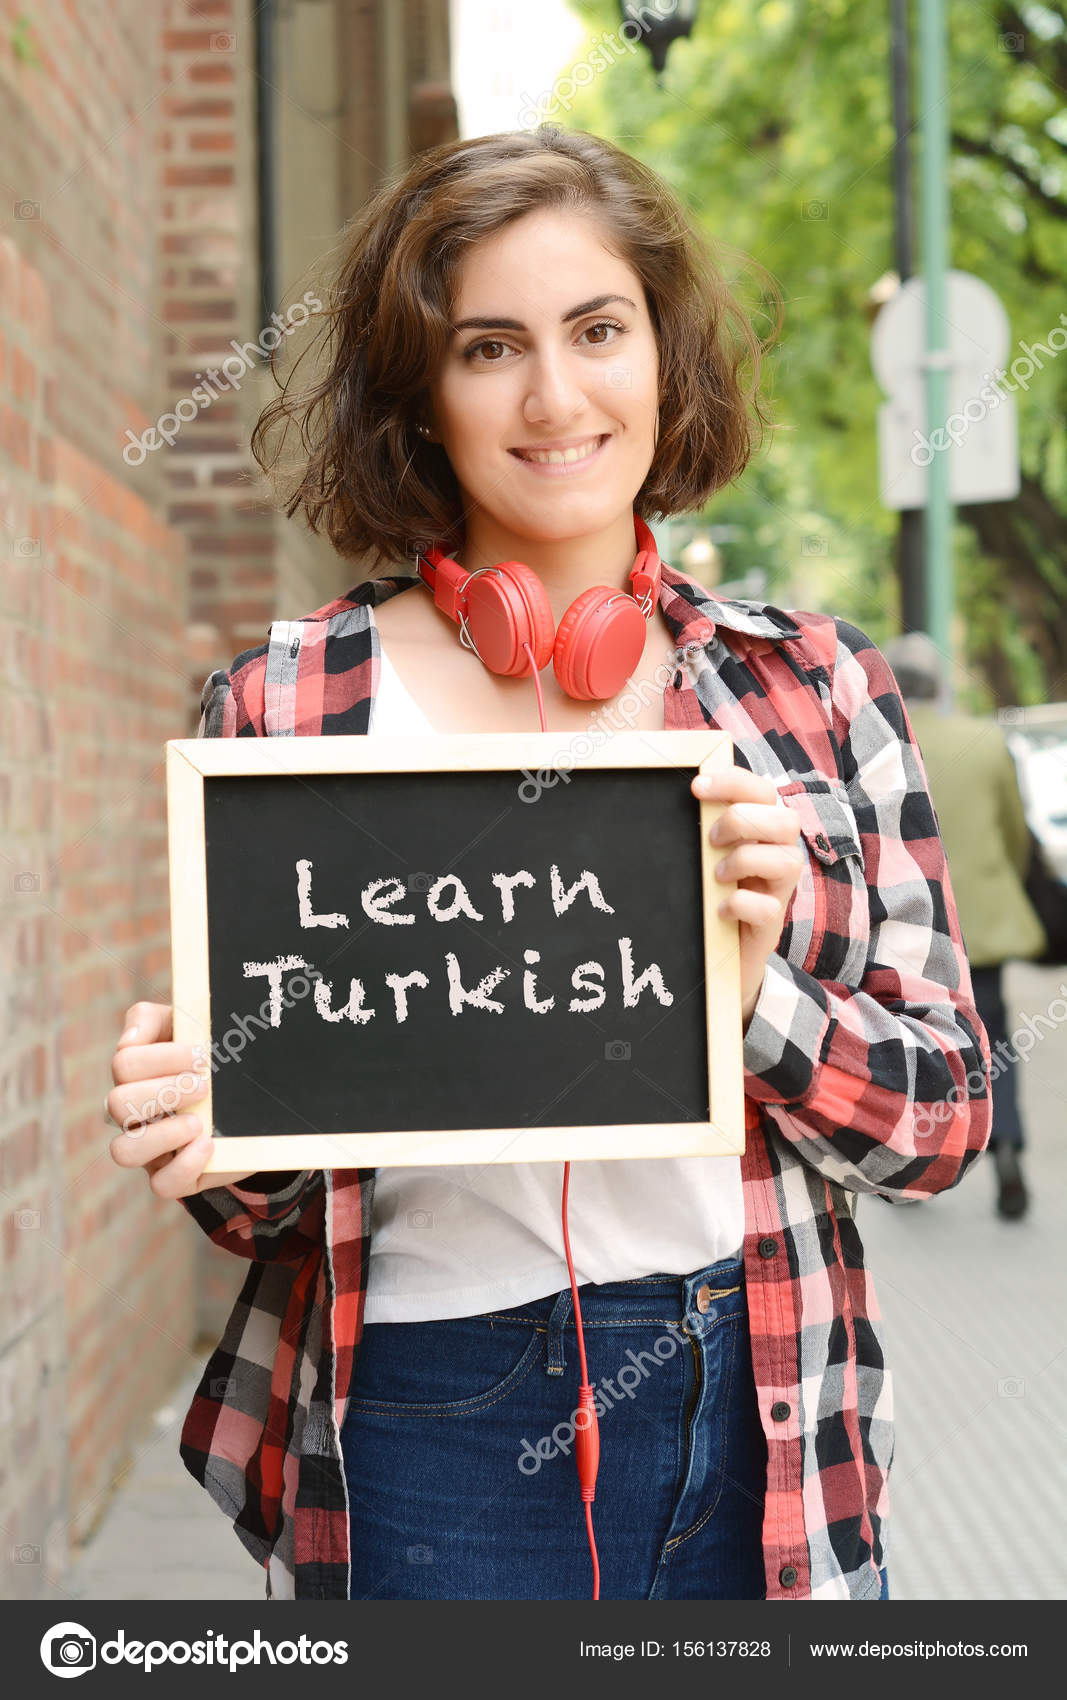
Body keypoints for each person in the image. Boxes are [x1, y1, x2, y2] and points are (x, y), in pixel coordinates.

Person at [107, 126, 991, 1603]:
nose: (553, 396)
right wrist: (209, 1131)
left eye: (596, 331)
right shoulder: (288, 705)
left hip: (769, 1397)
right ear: (421, 396)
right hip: (432, 1417)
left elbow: (946, 1121)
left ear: (663, 356)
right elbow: (265, 1203)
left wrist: (748, 986)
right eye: (487, 348)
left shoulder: (813, 691)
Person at [883, 630, 1046, 1220]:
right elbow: (1014, 833)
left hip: (904, 925)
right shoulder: (984, 741)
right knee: (994, 1037)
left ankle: (916, 1160)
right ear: (942, 685)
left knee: (911, 1038)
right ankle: (1006, 1147)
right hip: (981, 922)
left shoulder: (880, 742)